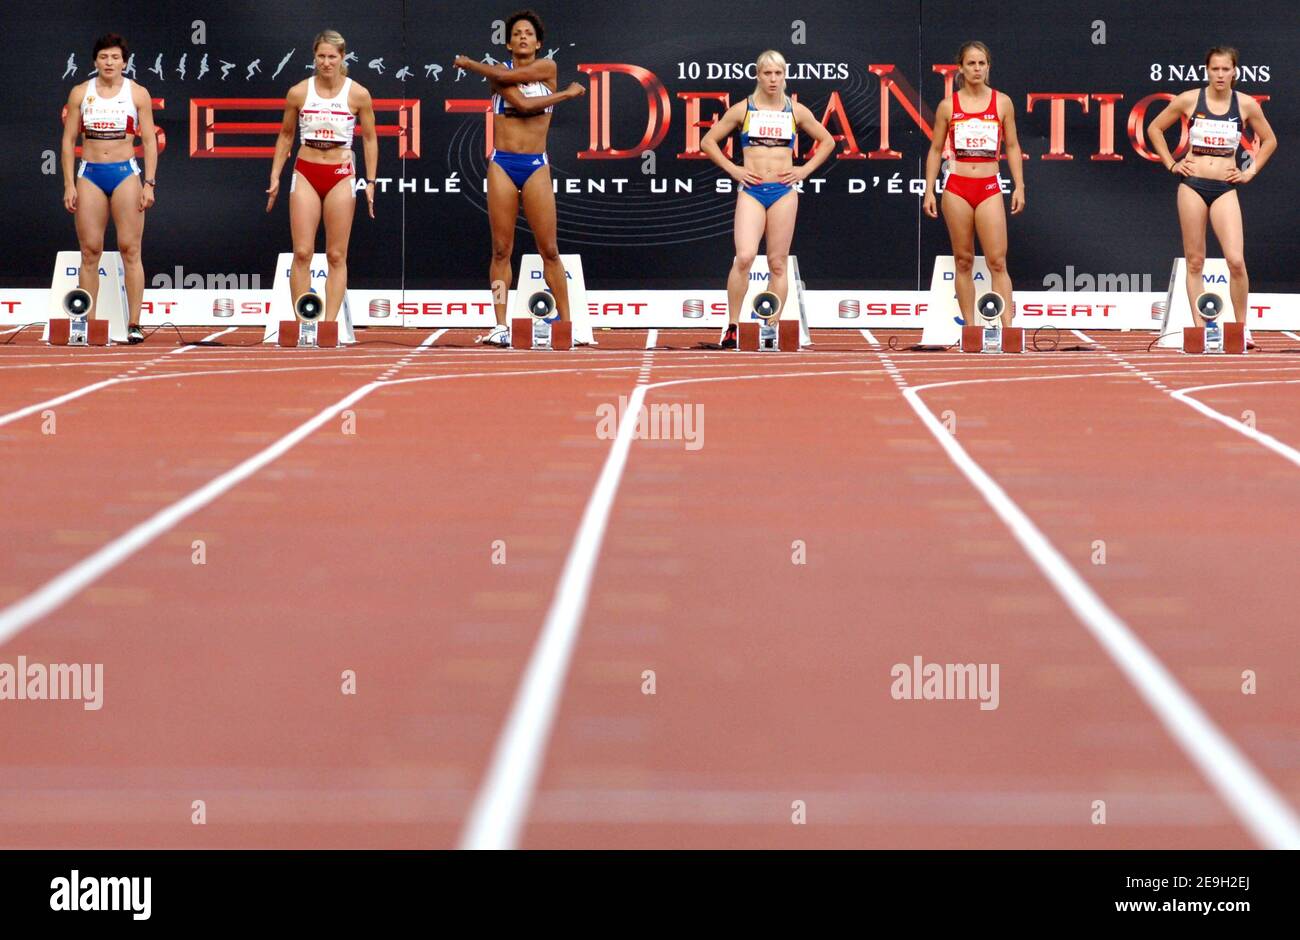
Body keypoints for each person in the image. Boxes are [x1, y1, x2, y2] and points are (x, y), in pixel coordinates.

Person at [453, 9, 586, 347]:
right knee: (501, 249)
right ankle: (500, 325)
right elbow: (525, 106)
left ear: (538, 42)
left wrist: (470, 63)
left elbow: (532, 97)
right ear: (508, 42)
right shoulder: (499, 75)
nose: (523, 37)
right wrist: (566, 96)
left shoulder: (548, 68)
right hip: (502, 163)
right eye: (516, 34)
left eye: (528, 33)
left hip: (536, 164)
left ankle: (567, 326)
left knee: (550, 249)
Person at [699, 50, 835, 348]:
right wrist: (734, 169)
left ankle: (770, 327)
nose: (773, 79)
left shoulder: (795, 111)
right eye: (767, 73)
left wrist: (805, 170)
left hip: (783, 191)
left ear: (784, 76)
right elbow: (708, 141)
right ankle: (732, 326)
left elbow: (828, 140)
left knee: (777, 264)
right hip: (752, 191)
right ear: (758, 75)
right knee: (745, 256)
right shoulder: (743, 109)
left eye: (778, 74)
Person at [1148, 46, 1276, 344]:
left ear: (1235, 72)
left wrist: (1249, 171)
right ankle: (1202, 329)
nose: (1220, 75)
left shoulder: (1245, 104)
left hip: (1225, 188)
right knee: (1195, 261)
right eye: (1214, 69)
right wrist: (1171, 163)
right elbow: (1155, 128)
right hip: (1192, 184)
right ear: (1207, 70)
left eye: (1225, 69)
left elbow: (1269, 140)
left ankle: (1241, 329)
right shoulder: (1190, 99)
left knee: (1235, 260)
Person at [266, 29, 378, 329]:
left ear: (343, 58)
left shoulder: (358, 94)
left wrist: (371, 181)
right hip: (306, 169)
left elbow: (369, 139)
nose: (326, 62)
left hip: (340, 171)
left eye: (332, 57)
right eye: (321, 56)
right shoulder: (299, 92)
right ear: (314, 57)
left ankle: (329, 326)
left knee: (336, 254)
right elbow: (286, 135)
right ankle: (305, 323)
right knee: (302, 252)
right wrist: (275, 175)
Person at [61, 33, 157, 343]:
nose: (109, 62)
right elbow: (67, 142)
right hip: (89, 174)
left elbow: (150, 141)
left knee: (131, 249)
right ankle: (87, 324)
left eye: (115, 57)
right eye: (104, 57)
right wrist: (68, 184)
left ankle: (134, 323)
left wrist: (149, 183)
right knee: (90, 251)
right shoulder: (79, 93)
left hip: (125, 173)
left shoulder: (138, 93)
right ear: (95, 62)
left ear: (124, 62)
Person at [922, 41, 1025, 328]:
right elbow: (935, 149)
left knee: (997, 261)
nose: (977, 69)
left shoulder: (1002, 102)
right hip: (956, 186)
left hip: (989, 186)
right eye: (971, 63)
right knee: (963, 260)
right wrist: (929, 189)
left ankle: (1008, 330)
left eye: (981, 63)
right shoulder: (948, 106)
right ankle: (970, 329)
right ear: (961, 68)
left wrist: (1019, 186)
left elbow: (1013, 146)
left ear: (988, 67)